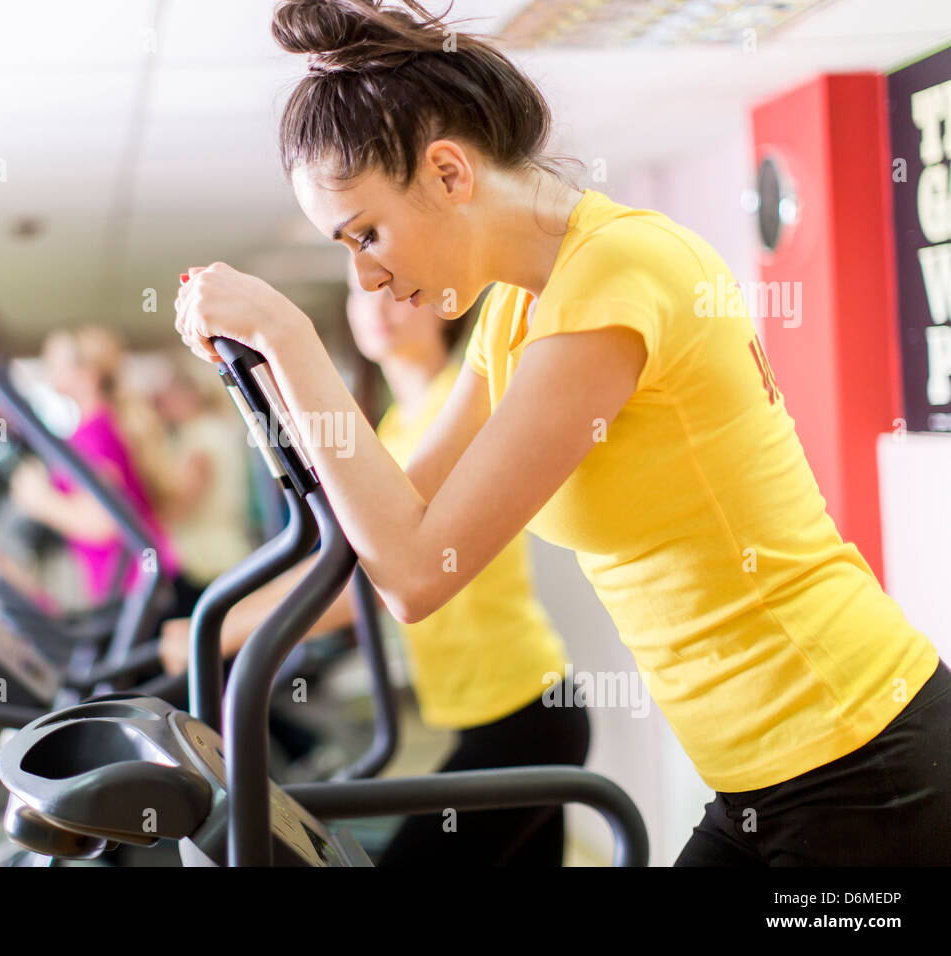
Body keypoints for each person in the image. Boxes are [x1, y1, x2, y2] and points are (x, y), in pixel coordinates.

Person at [172, 0, 950, 865]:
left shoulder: (615, 278)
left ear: (448, 173)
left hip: (858, 759)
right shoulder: (518, 311)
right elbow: (401, 498)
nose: (367, 274)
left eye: (367, 233)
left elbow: (420, 573)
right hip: (763, 777)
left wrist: (291, 338)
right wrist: (273, 376)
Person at [161, 259, 588, 866]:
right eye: (359, 296)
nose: (376, 307)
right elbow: (336, 553)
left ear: (440, 300)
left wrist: (222, 630)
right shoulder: (390, 428)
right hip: (484, 712)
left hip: (525, 709)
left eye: (391, 290)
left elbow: (366, 581)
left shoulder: (460, 404)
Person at [9, 327, 197, 617]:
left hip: (137, 591)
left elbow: (104, 522)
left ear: (87, 376)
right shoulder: (101, 425)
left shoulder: (93, 434)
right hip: (144, 584)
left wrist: (40, 500)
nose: (48, 367)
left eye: (56, 361)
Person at [148, 352, 255, 589]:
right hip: (224, 551)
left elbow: (182, 504)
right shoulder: (215, 429)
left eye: (164, 397)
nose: (159, 405)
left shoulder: (200, 439)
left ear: (184, 395)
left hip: (204, 561)